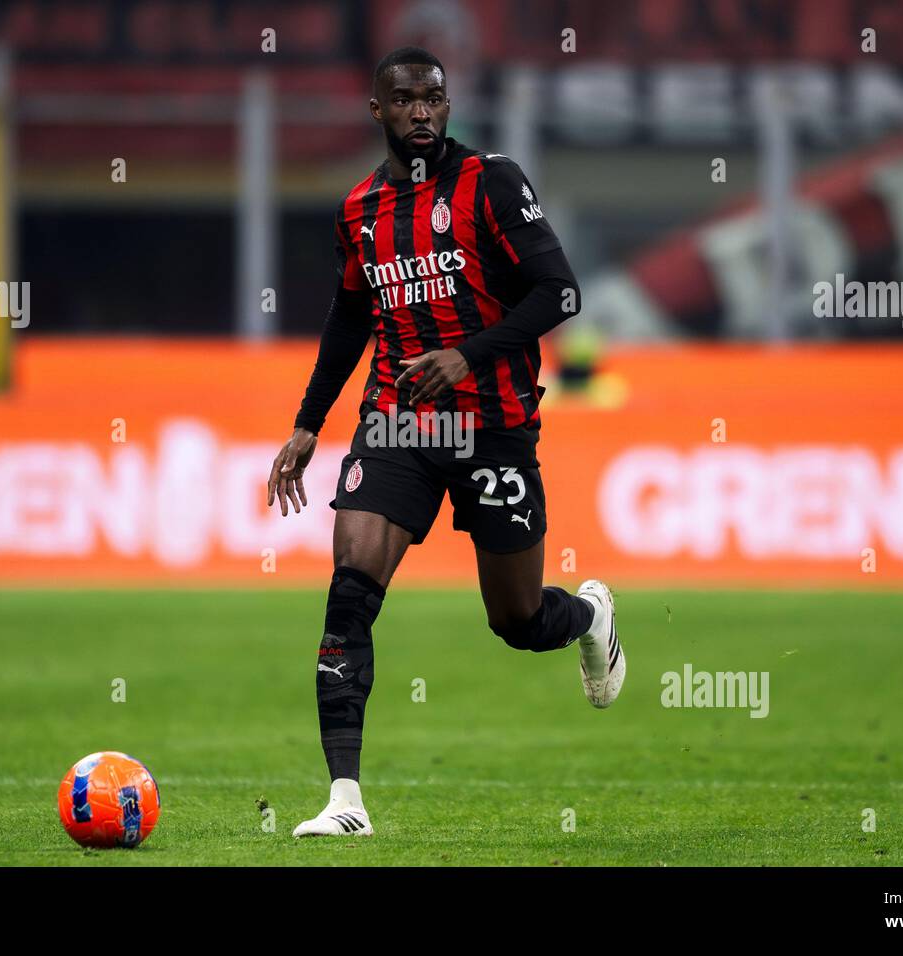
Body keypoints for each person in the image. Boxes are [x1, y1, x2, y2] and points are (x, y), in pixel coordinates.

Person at [266, 47, 625, 838]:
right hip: (397, 421)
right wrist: (307, 422)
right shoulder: (358, 208)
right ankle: (345, 801)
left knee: (518, 619)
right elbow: (350, 319)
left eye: (433, 97)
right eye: (404, 99)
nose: (421, 111)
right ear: (378, 111)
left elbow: (559, 289)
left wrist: (469, 353)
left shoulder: (491, 182)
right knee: (349, 593)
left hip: (493, 425)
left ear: (448, 105)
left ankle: (590, 615)